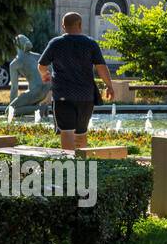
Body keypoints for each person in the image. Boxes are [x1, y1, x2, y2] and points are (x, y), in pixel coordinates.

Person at [37, 13, 114, 151]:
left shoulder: (56, 43)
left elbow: (42, 64)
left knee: (66, 131)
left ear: (63, 26)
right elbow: (101, 67)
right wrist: (109, 86)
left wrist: (45, 74)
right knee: (81, 132)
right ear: (80, 25)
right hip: (85, 96)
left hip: (62, 95)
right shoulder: (90, 44)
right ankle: (81, 164)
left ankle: (69, 167)